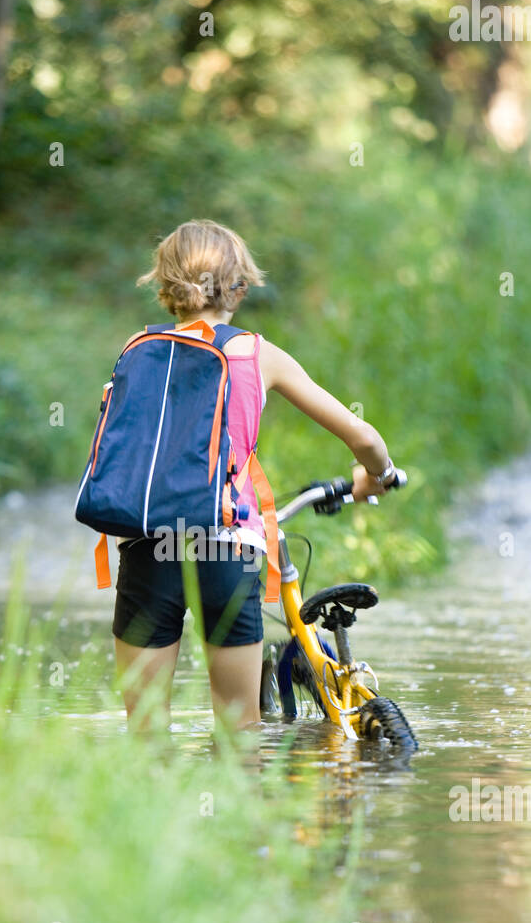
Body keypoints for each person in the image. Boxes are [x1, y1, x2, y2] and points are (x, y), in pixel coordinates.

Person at [112, 219, 397, 729]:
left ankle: (154, 807)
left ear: (164, 285)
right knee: (239, 734)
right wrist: (377, 474)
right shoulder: (255, 353)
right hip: (227, 546)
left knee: (145, 734)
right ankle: (236, 805)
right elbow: (364, 439)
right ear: (239, 287)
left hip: (148, 545)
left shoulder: (137, 348)